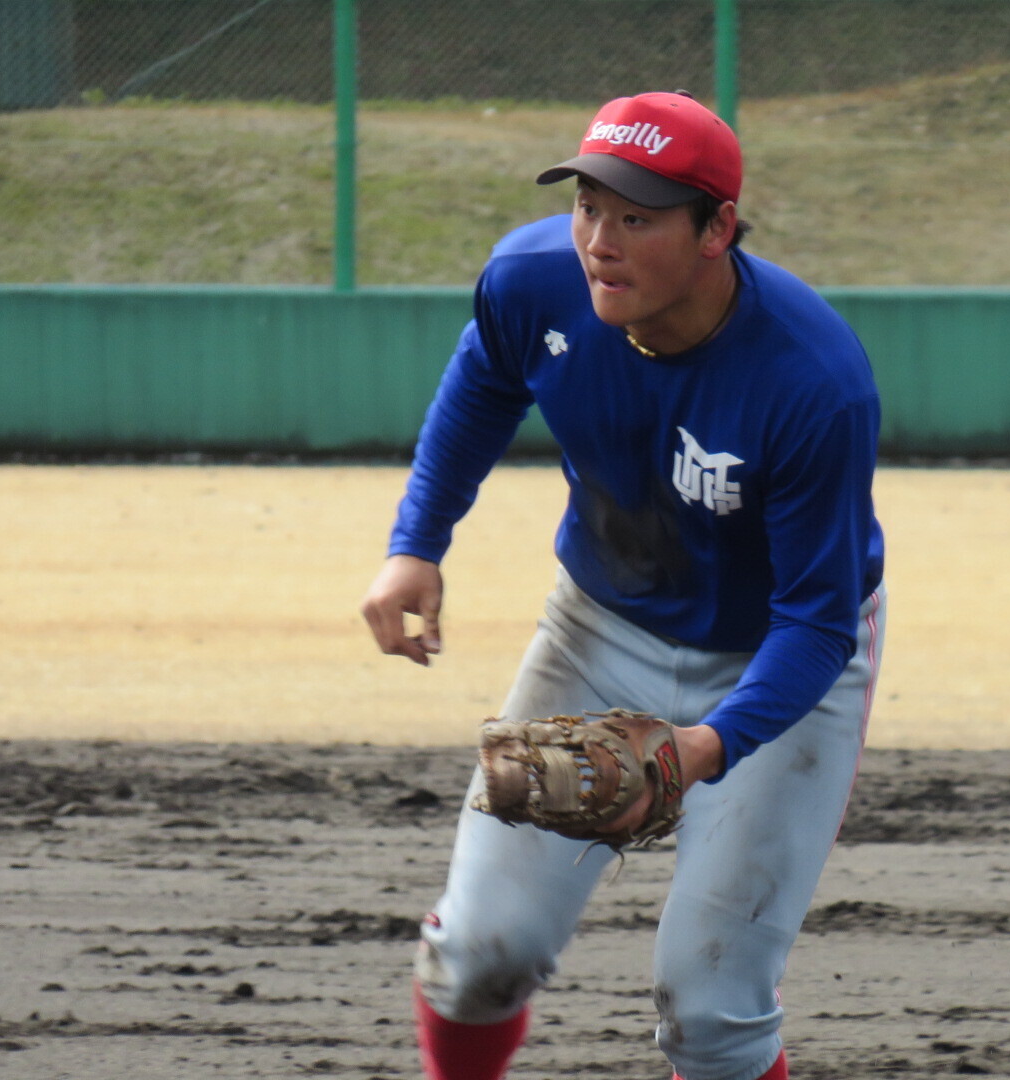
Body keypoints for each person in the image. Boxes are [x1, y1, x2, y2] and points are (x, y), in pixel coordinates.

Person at [358, 90, 887, 1080]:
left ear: (716, 229)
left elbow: (818, 623)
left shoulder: (813, 382)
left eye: (637, 217)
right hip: (598, 634)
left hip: (775, 668)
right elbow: (483, 384)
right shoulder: (533, 282)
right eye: (588, 206)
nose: (599, 241)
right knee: (477, 954)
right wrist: (415, 543)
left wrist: (709, 746)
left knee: (713, 1009)